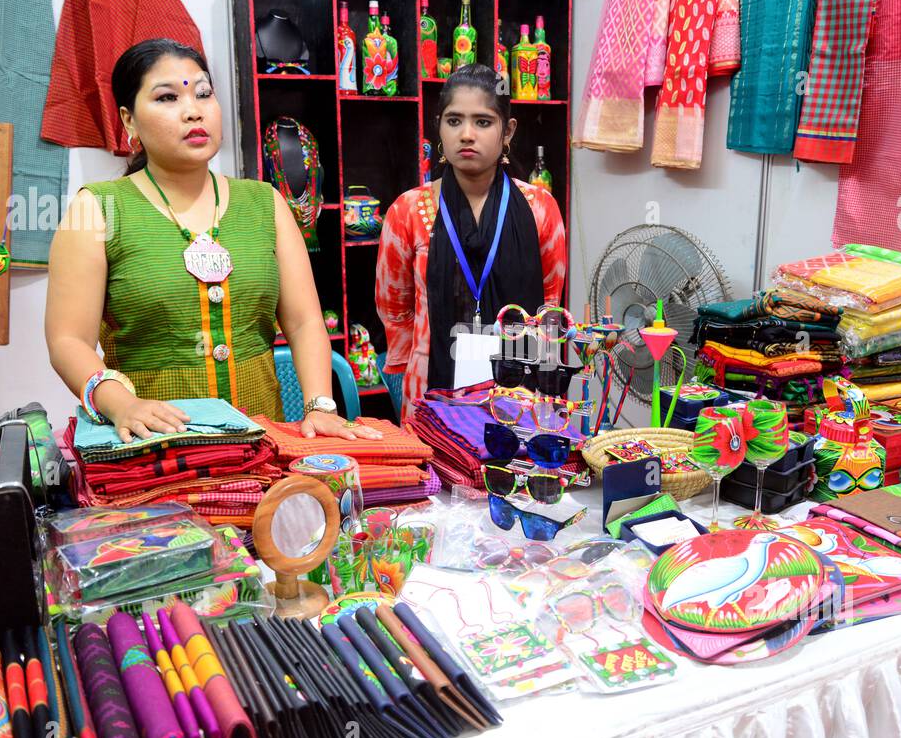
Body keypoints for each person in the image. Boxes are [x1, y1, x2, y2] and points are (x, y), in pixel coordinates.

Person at [46, 38, 380, 443]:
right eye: (167, 98)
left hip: (262, 445)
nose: (193, 110)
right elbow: (67, 340)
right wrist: (121, 403)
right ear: (129, 121)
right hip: (158, 450)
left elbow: (305, 320)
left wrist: (319, 405)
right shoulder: (97, 209)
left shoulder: (264, 203)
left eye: (203, 93)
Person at [376, 64, 567, 422]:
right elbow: (393, 307)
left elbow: (548, 306)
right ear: (439, 127)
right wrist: (412, 360)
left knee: (513, 473)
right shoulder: (408, 211)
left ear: (507, 130)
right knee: (436, 475)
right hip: (431, 386)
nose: (466, 134)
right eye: (454, 121)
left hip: (521, 389)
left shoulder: (540, 208)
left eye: (482, 122)